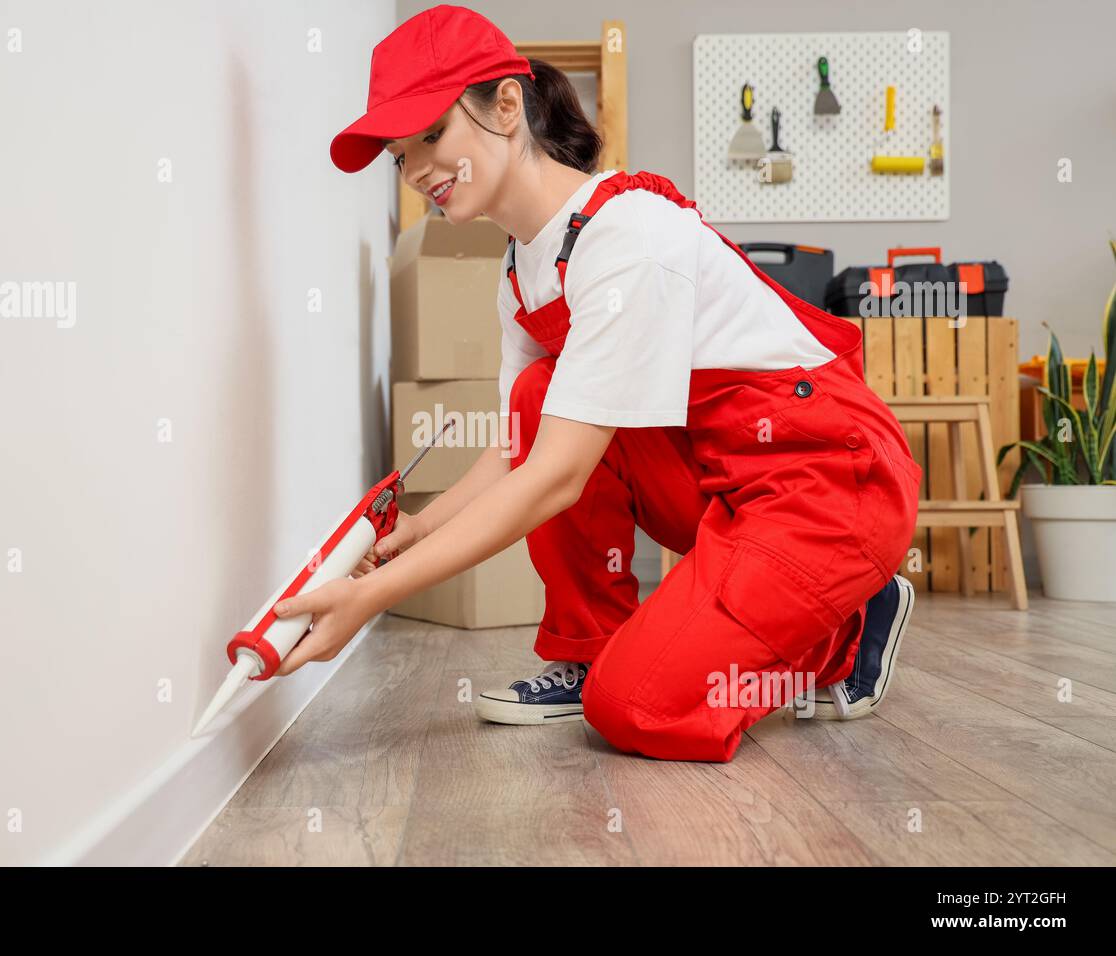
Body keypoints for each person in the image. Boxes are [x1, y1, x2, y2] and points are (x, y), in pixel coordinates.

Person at [272, 4, 921, 762]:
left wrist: (373, 596)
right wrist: (416, 528)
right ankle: (592, 650)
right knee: (534, 399)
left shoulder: (626, 238)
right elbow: (519, 450)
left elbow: (553, 478)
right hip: (721, 481)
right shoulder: (522, 268)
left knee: (637, 707)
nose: (416, 170)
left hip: (827, 484)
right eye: (398, 156)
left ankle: (847, 628)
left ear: (507, 106)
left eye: (432, 136)